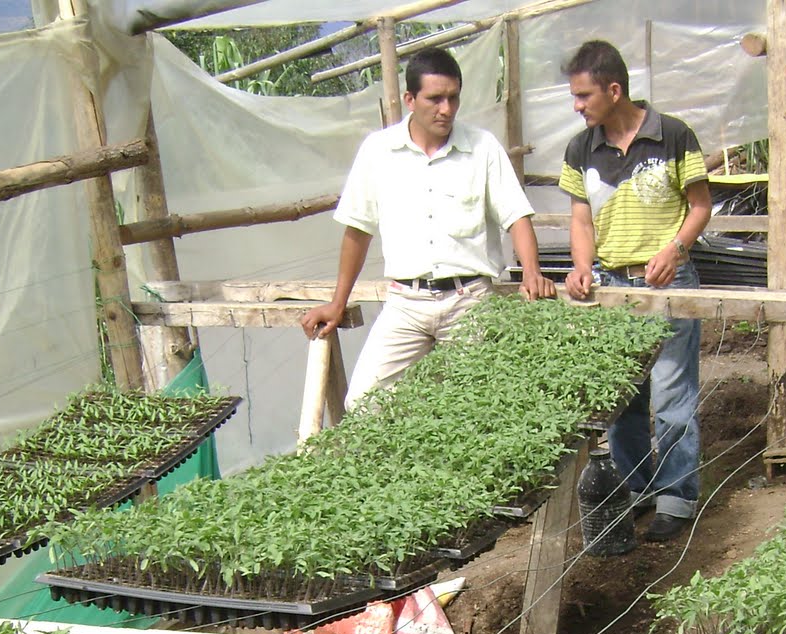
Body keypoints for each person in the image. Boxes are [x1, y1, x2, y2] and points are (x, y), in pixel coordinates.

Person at [301, 48, 555, 405]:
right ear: (410, 99)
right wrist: (337, 303)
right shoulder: (378, 151)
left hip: (469, 301)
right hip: (406, 302)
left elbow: (516, 216)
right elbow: (357, 230)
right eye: (435, 99)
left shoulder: (482, 147)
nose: (446, 109)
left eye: (453, 98)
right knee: (363, 403)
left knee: (477, 407)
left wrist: (532, 272)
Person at [559, 40, 712, 543]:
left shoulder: (672, 135)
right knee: (622, 398)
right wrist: (582, 267)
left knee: (671, 393)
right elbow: (581, 219)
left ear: (614, 90)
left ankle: (676, 498)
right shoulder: (581, 149)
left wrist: (675, 250)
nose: (577, 106)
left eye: (584, 95)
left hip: (666, 283)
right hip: (611, 285)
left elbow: (700, 206)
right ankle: (636, 488)